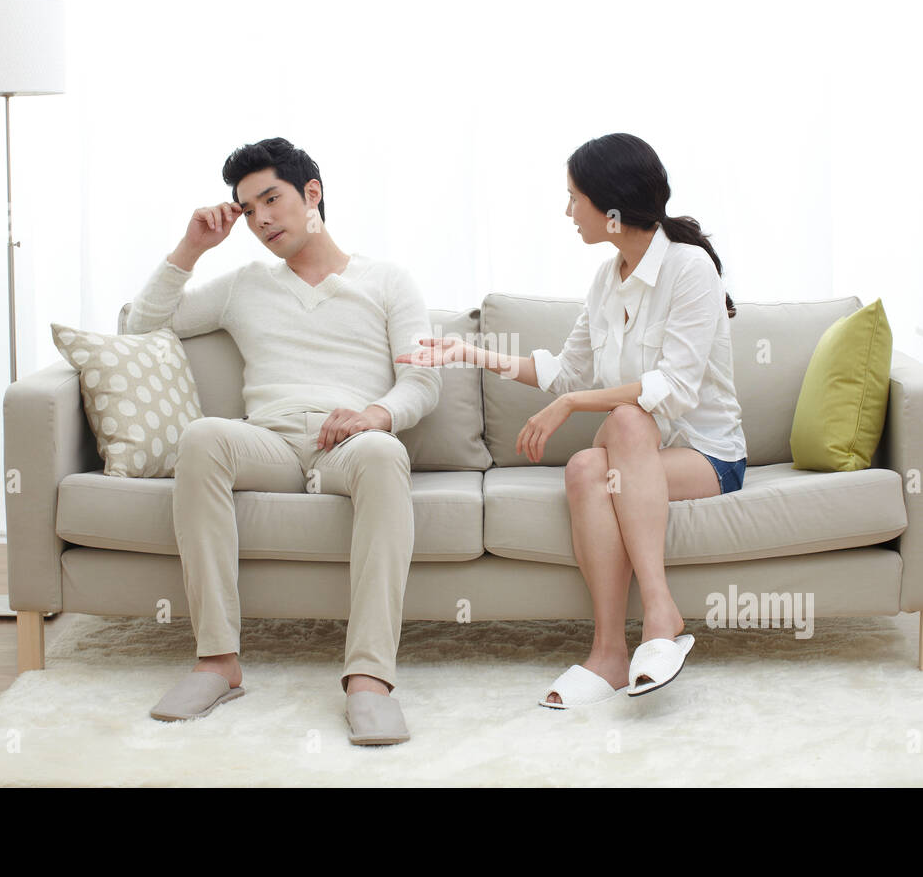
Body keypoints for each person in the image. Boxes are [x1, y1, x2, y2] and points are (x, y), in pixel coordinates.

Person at [397, 132, 746, 708]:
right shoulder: (606, 281)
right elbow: (565, 371)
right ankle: (608, 654)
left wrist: (574, 405)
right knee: (585, 466)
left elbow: (674, 389)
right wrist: (466, 353)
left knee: (630, 420)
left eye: (574, 197)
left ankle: (662, 613)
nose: (567, 211)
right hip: (637, 458)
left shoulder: (690, 270)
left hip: (708, 455)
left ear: (611, 205)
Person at [127, 137, 441, 744]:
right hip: (267, 443)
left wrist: (376, 415)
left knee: (384, 452)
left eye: (271, 199)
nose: (261, 218)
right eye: (247, 210)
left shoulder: (388, 280)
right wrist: (192, 247)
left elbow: (422, 380)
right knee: (202, 438)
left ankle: (369, 679)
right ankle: (218, 662)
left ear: (312, 194)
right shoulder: (245, 283)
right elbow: (142, 327)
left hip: (346, 443)